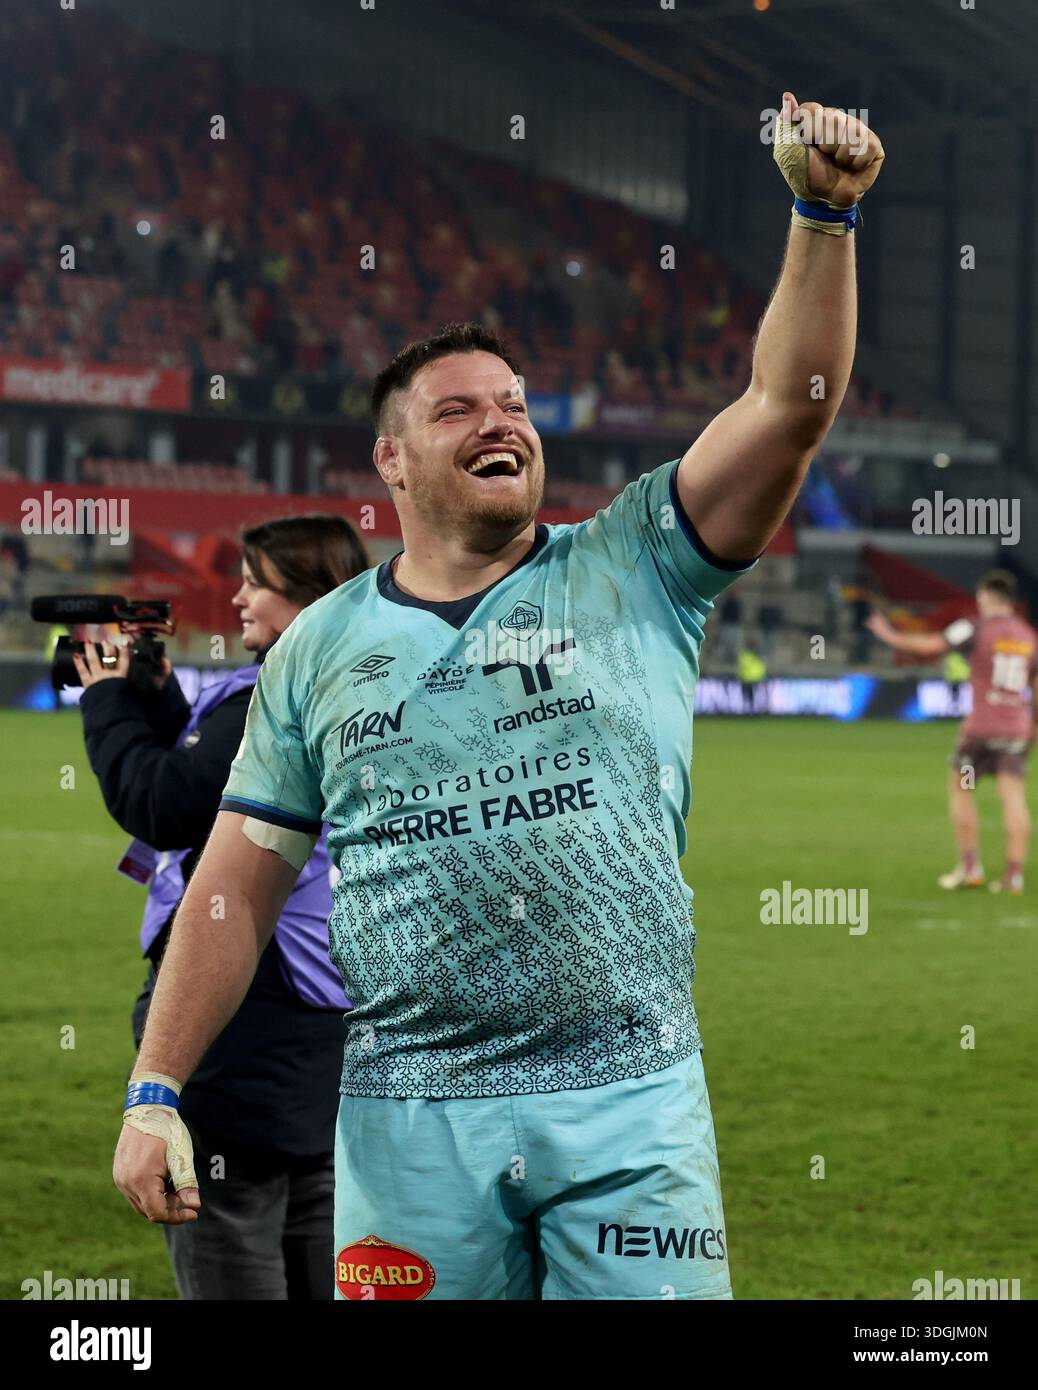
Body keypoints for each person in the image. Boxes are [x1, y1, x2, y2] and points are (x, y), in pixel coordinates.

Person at [114, 93, 885, 1299]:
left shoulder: (636, 560)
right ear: (393, 460)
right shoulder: (321, 646)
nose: (502, 421)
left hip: (630, 1104)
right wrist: (156, 1091)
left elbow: (791, 406)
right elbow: (234, 883)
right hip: (407, 1123)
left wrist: (820, 216)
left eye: (516, 402)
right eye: (460, 408)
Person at [81, 514, 368, 1298]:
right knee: (322, 1238)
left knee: (232, 1238)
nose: (236, 597)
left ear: (307, 597)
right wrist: (161, 695)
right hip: (328, 1023)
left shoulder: (272, 698)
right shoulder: (354, 684)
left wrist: (105, 696)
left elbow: (166, 804)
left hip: (246, 1024)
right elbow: (222, 783)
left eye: (255, 583)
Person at [867, 571, 1037, 895]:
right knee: (1013, 797)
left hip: (980, 732)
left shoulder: (975, 626)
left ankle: (970, 868)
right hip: (1015, 732)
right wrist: (1033, 728)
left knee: (963, 788)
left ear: (985, 596)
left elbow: (933, 645)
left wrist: (891, 636)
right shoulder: (1028, 635)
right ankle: (1013, 877)